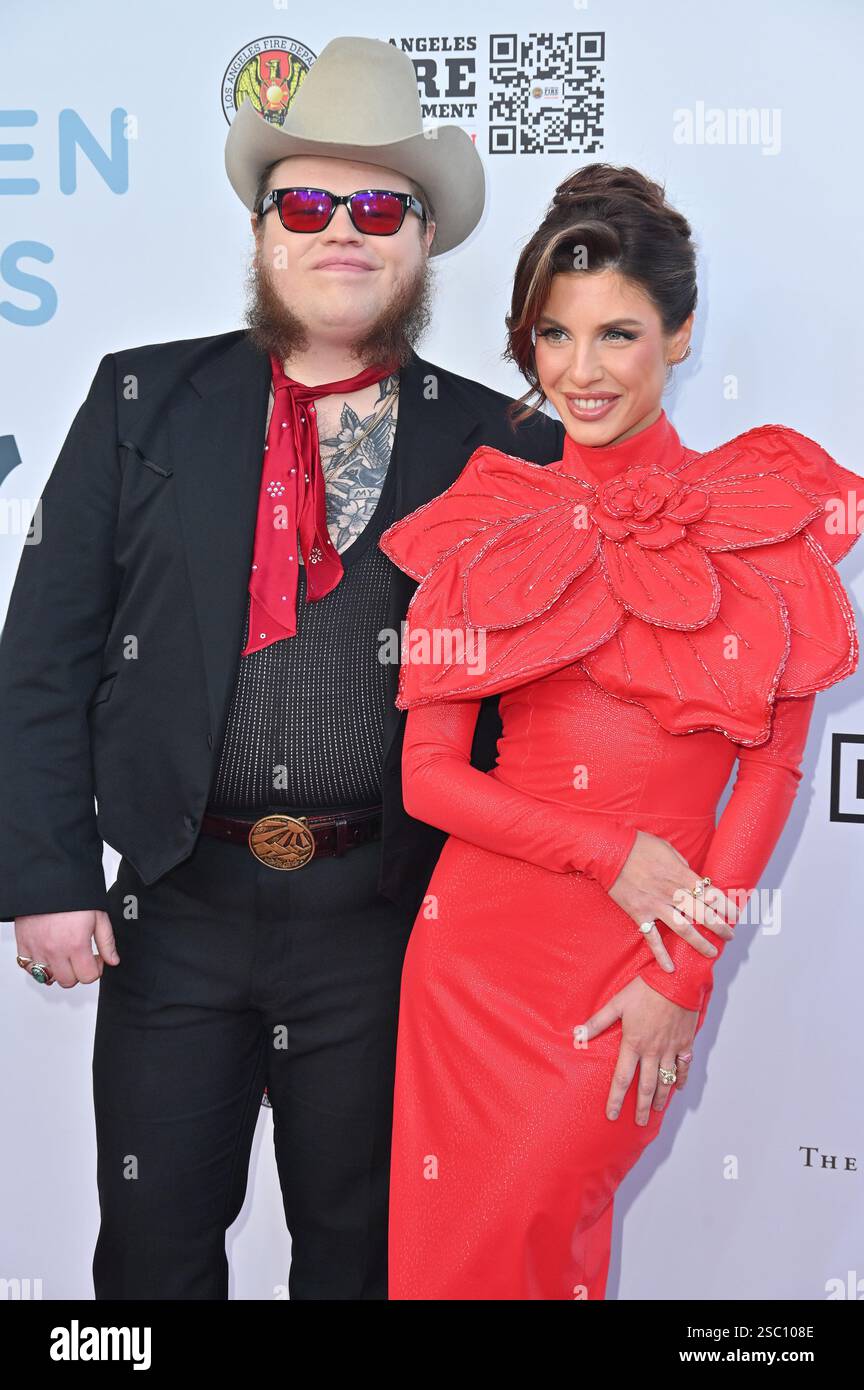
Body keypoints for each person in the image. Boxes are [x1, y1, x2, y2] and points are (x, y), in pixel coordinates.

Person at [0, 37, 565, 1300]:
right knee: (152, 1254)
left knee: (364, 1259)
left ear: (423, 240)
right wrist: (46, 875)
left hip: (391, 920)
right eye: (307, 204)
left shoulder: (501, 445)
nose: (341, 234)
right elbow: (42, 656)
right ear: (263, 231)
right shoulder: (142, 401)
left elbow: (539, 716)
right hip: (174, 901)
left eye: (379, 207)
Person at [378, 163, 863, 1300]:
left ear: (682, 335)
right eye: (554, 334)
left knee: (542, 1237)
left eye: (617, 334)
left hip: (639, 964)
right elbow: (430, 779)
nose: (579, 372)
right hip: (475, 964)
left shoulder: (761, 519)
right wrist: (613, 856)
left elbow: (773, 775)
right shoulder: (484, 524)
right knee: (463, 1267)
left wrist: (685, 972)